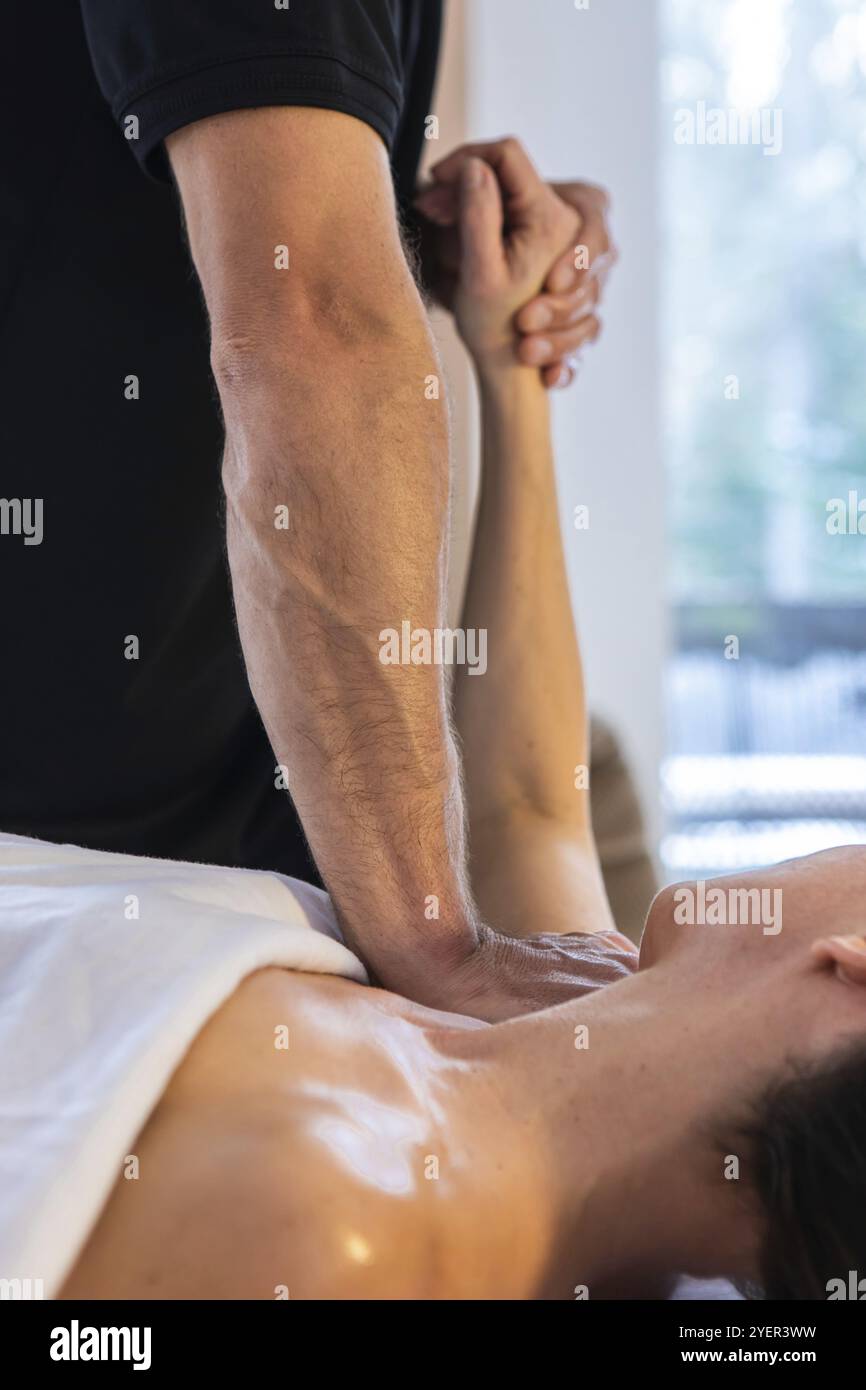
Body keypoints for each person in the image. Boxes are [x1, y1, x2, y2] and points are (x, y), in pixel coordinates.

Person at [57, 140, 866, 1302]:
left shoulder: (329, 1233)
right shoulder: (579, 1015)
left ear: (850, 967)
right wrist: (508, 360)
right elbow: (534, 807)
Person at [1, 0, 622, 1020]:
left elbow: (310, 319)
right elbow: (530, 820)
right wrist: (509, 356)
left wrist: (433, 941)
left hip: (123, 908)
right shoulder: (599, 1007)